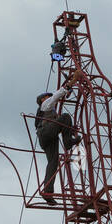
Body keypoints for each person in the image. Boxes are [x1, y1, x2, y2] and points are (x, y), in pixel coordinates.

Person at [34, 70, 84, 204]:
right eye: (47, 96)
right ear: (42, 100)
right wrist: (73, 81)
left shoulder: (50, 112)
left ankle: (48, 192)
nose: (49, 98)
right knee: (66, 117)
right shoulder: (46, 105)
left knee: (53, 162)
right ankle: (68, 142)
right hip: (46, 132)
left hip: (47, 137)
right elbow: (58, 94)